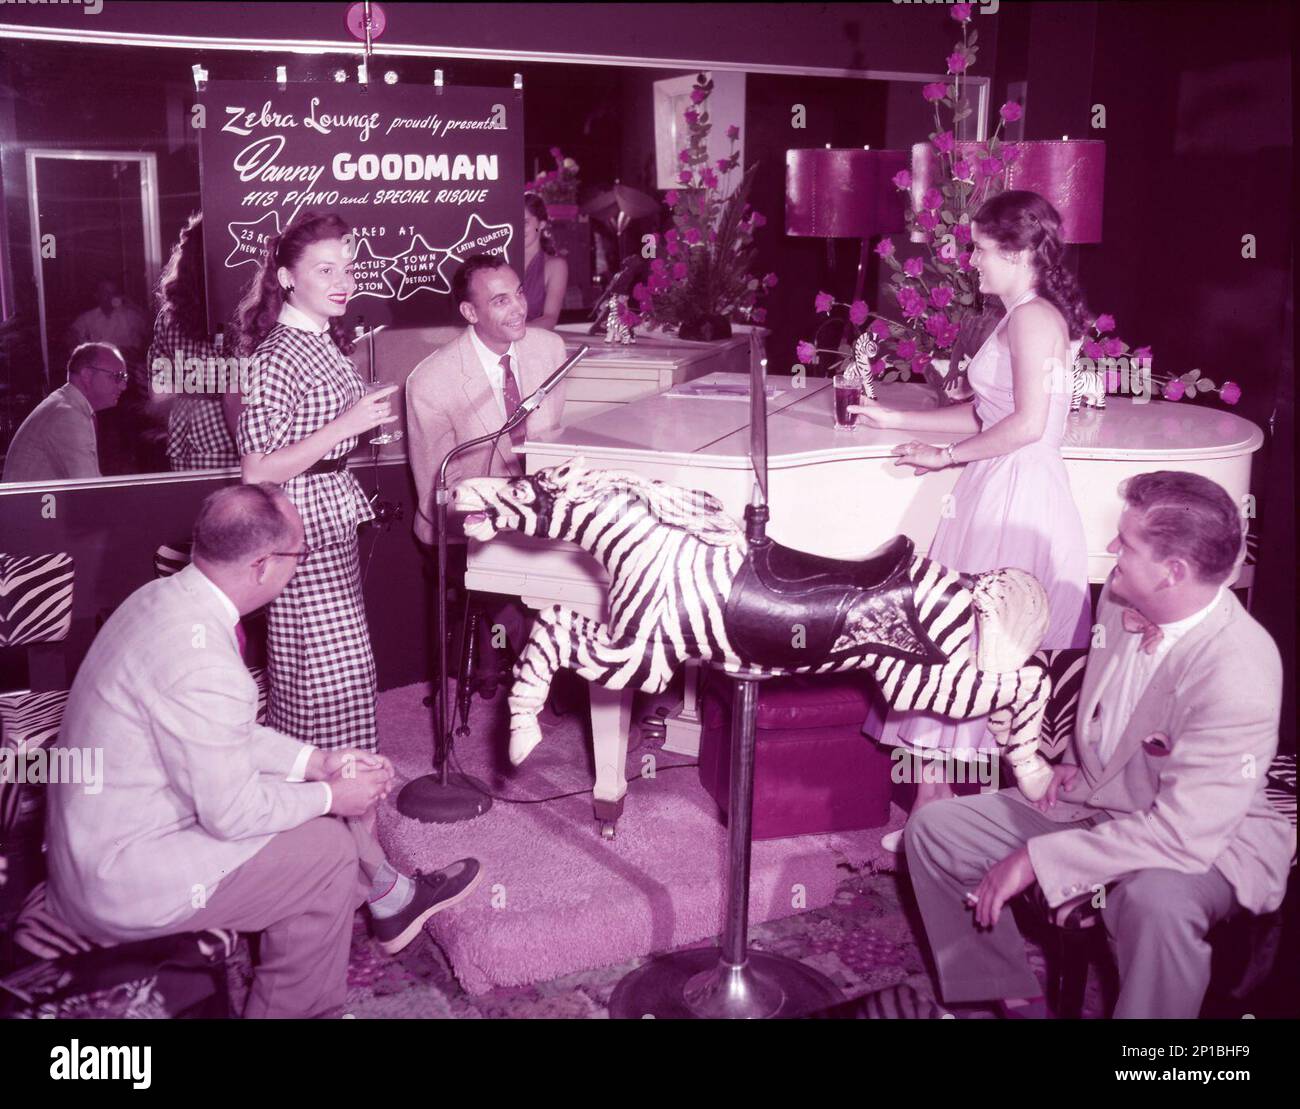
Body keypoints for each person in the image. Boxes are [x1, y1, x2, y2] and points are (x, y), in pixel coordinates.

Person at [44, 484, 481, 1018]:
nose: (299, 567)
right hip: (119, 883)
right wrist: (330, 796)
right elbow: (232, 815)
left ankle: (390, 898)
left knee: (317, 816)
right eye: (298, 555)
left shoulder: (161, 599)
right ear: (262, 565)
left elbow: (218, 732)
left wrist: (316, 763)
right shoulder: (205, 661)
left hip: (97, 843)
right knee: (325, 854)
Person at [904, 472, 1293, 1019]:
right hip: (1102, 802)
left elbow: (1184, 834)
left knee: (1156, 904)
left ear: (1172, 573)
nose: (1112, 550)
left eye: (1127, 543)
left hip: (1208, 843)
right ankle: (1005, 994)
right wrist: (1076, 762)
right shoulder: (1122, 595)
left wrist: (1036, 858)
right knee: (935, 831)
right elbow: (1114, 707)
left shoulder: (1239, 669)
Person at [853, 190, 1092, 842]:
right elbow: (988, 412)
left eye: (982, 249)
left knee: (985, 648)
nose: (971, 262)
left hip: (1017, 493)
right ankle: (937, 808)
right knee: (959, 642)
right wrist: (896, 418)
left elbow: (1026, 425)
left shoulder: (1034, 319)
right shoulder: (1016, 314)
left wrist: (945, 455)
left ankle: (966, 817)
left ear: (1018, 252)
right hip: (994, 484)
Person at [234, 212, 399, 753]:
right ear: (285, 278)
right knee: (318, 672)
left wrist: (361, 426)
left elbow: (315, 434)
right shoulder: (276, 353)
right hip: (296, 525)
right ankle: (317, 797)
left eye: (346, 269)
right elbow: (256, 469)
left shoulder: (321, 339)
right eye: (325, 271)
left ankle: (341, 794)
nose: (343, 282)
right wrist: (348, 425)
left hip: (326, 515)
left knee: (339, 670)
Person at [406, 251, 570, 680]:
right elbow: (440, 490)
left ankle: (549, 655)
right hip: (469, 522)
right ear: (469, 311)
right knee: (518, 597)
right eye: (500, 301)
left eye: (518, 293)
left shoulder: (550, 349)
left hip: (542, 510)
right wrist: (511, 522)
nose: (519, 309)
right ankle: (529, 655)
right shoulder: (431, 381)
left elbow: (554, 443)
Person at [148, 213, 241, 471]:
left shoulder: (167, 318)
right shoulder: (237, 316)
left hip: (184, 432)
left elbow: (157, 391)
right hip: (230, 432)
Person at [2, 343, 126, 482]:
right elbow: (90, 491)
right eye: (117, 376)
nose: (123, 386)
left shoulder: (68, 406)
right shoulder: (68, 416)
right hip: (32, 504)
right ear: (87, 375)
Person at [522, 192, 569, 330]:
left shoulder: (555, 266)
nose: (518, 228)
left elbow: (550, 319)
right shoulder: (501, 263)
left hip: (532, 341)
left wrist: (508, 334)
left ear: (541, 224)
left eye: (524, 222)